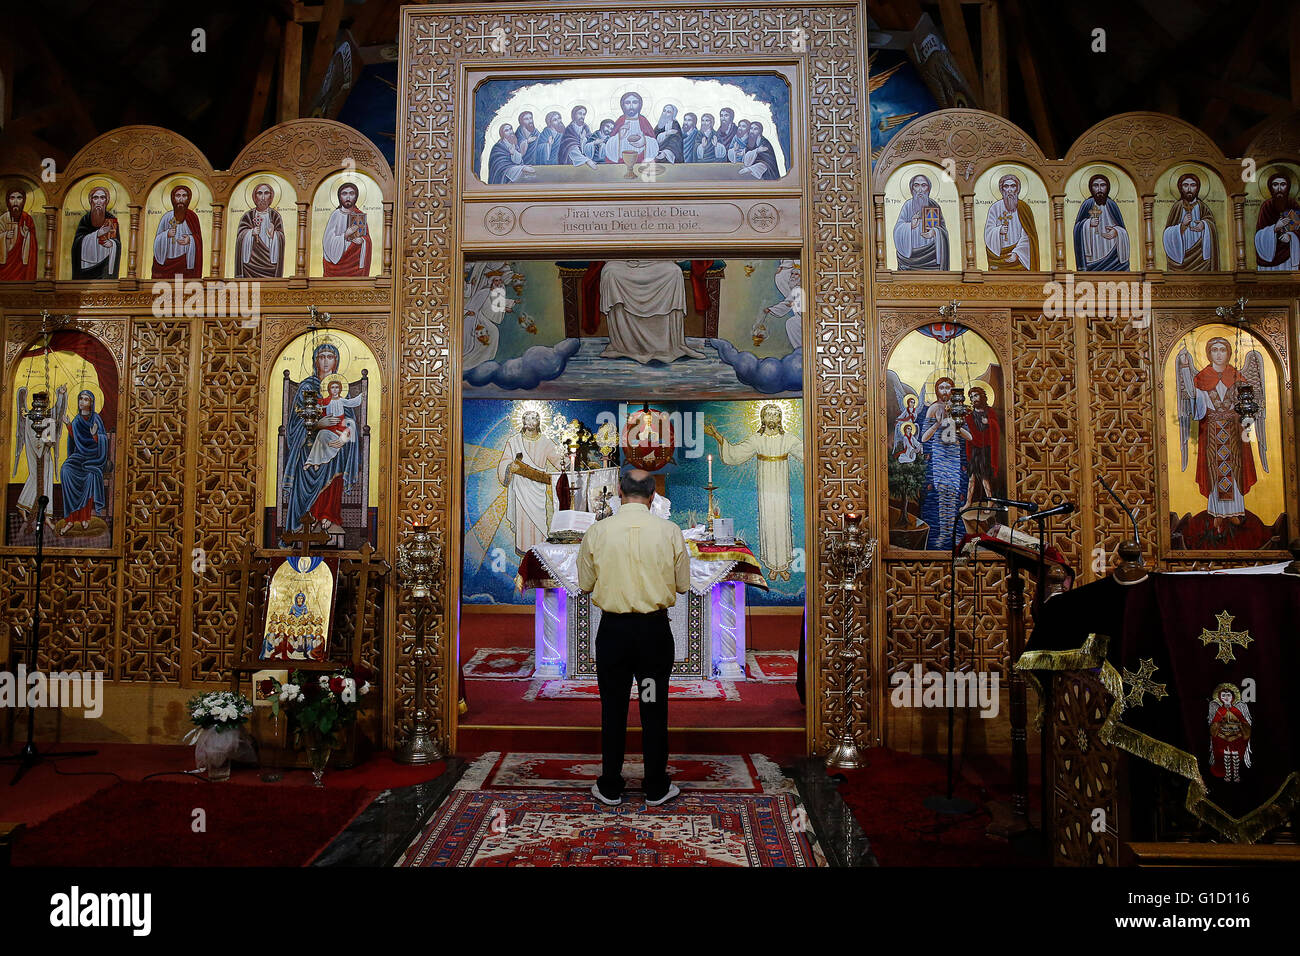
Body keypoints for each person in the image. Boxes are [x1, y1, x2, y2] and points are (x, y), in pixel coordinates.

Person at [578, 468, 689, 807]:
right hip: (653, 637)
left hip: (614, 635)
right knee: (653, 706)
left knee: (612, 708)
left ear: (619, 494)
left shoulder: (598, 531)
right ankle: (655, 785)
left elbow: (584, 584)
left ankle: (610, 784)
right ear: (653, 496)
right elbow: (683, 584)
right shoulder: (669, 531)